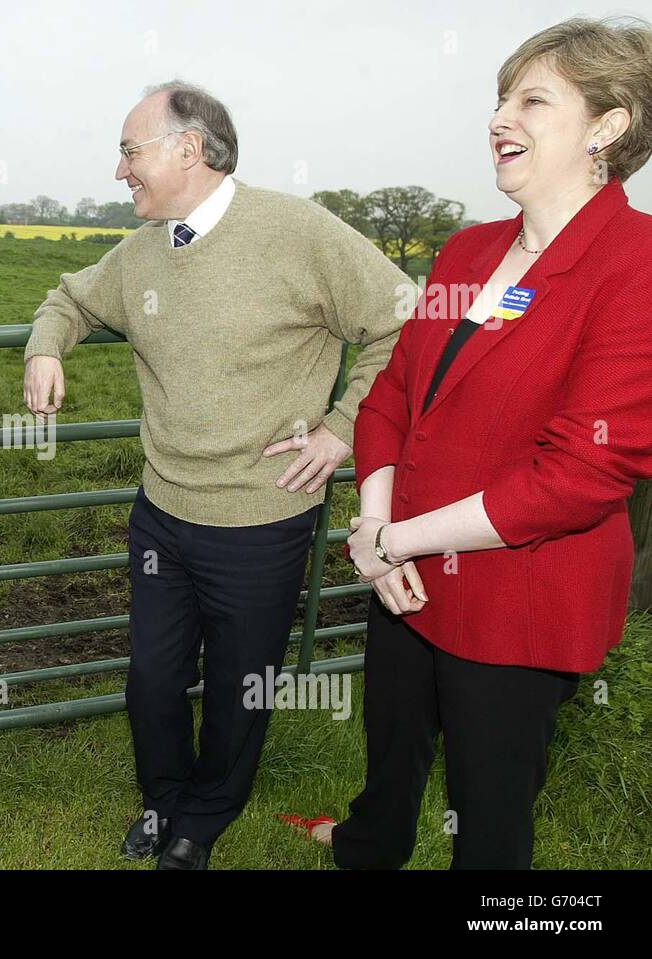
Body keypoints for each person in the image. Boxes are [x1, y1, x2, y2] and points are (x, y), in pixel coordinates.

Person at [282, 16, 652, 869]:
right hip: (403, 575)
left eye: (532, 99)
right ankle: (370, 844)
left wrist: (394, 539)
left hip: (518, 597)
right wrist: (376, 531)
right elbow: (392, 399)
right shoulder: (468, 251)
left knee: (489, 818)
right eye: (498, 99)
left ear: (609, 125)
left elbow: (582, 473)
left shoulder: (634, 265)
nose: (499, 118)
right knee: (391, 739)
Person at [23, 80, 414, 869]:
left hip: (262, 518)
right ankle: (162, 799)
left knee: (243, 688)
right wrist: (43, 346)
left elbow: (402, 318)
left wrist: (341, 429)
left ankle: (203, 819)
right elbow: (69, 296)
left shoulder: (298, 232)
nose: (120, 169)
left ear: (188, 150)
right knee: (153, 682)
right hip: (162, 510)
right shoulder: (141, 252)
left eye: (131, 151)